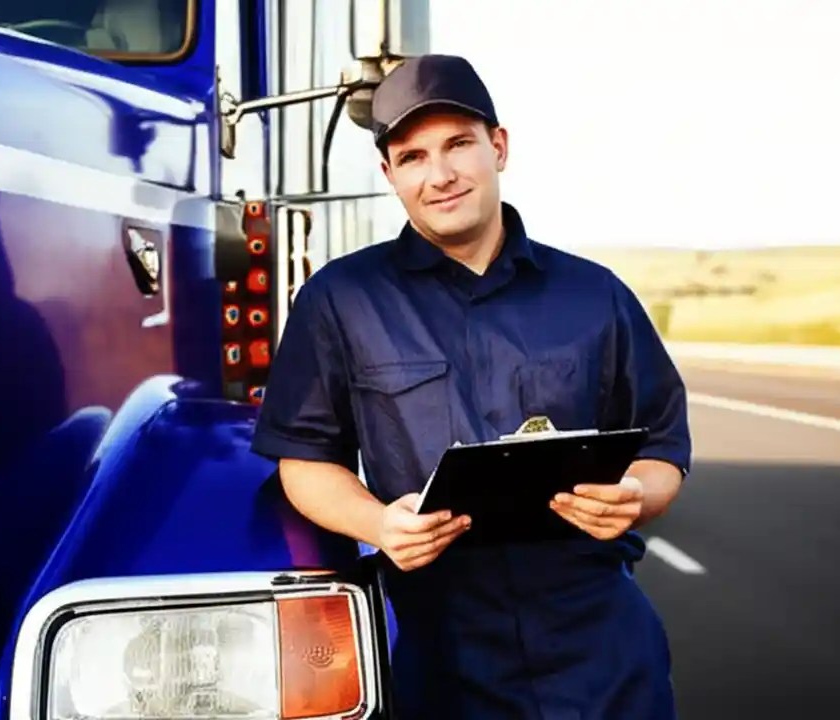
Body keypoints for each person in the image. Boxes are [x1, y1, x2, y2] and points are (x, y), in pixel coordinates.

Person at [250, 53, 691, 719]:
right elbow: (304, 461)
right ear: (389, 175)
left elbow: (662, 447)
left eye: (459, 144)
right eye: (414, 156)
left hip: (601, 653)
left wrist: (633, 496)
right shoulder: (341, 301)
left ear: (499, 147)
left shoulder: (596, 296)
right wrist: (377, 523)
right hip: (441, 659)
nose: (442, 174)